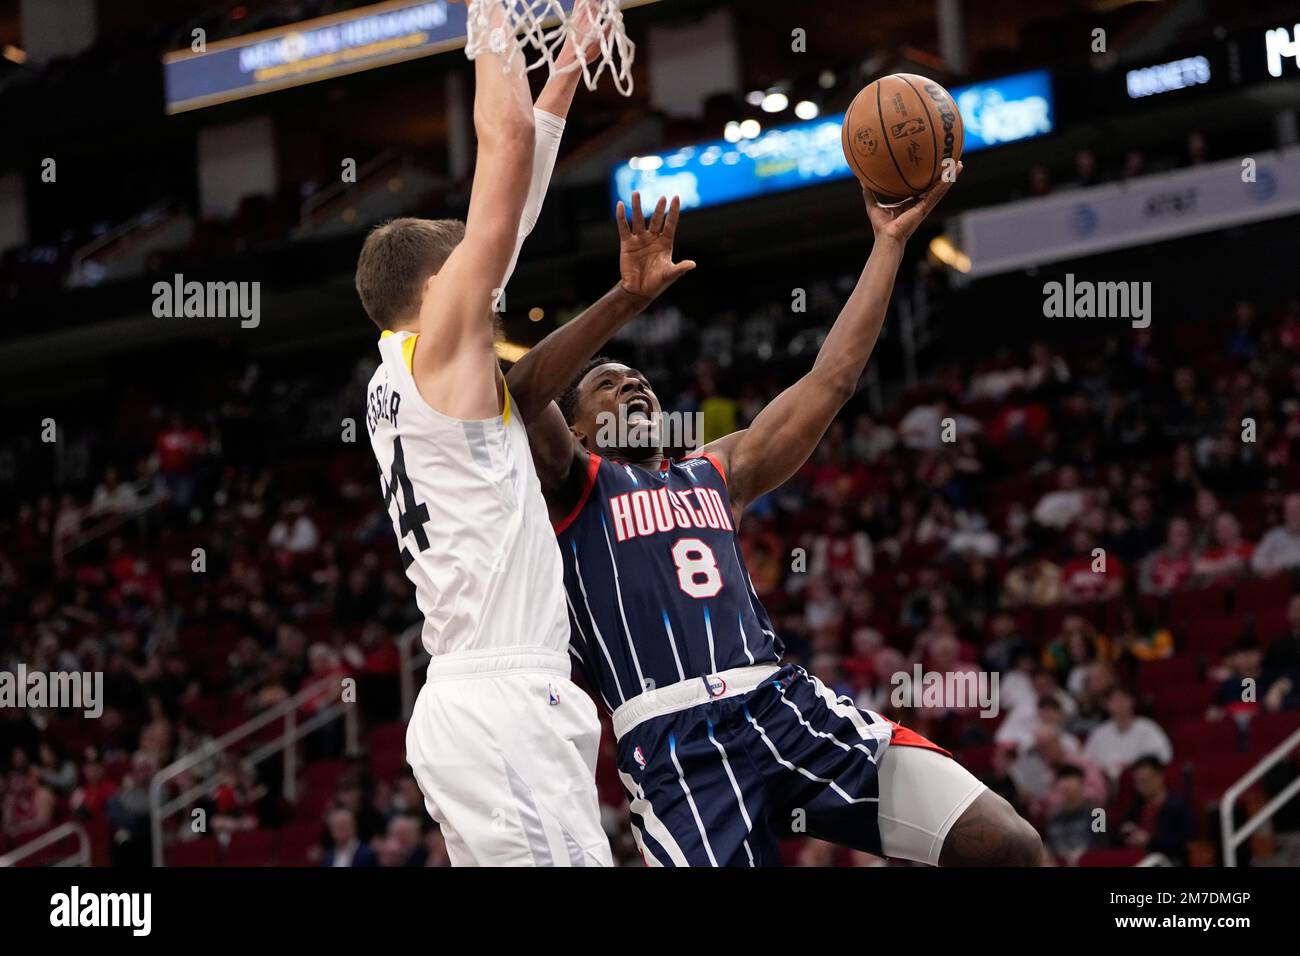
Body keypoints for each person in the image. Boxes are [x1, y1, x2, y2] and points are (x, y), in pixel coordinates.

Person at [511, 167, 1042, 866]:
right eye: (608, 388)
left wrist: (887, 242)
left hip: (782, 704)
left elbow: (832, 379)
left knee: (1004, 843)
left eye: (639, 381)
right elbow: (521, 392)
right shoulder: (570, 482)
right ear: (578, 430)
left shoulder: (715, 470)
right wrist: (628, 297)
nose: (632, 387)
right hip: (673, 743)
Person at [355, 11, 669, 866]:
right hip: (497, 700)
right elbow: (501, 151)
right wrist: (492, 18)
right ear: (437, 286)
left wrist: (565, 63)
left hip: (493, 694)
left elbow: (516, 196)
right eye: (469, 266)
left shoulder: (413, 374)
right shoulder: (440, 353)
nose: (491, 273)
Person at [1081, 686, 1173, 782]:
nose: (1119, 705)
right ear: (1107, 704)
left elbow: (1163, 756)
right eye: (1114, 701)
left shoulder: (1148, 727)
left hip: (1139, 781)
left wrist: (1131, 767)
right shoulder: (1098, 733)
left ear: (1132, 701)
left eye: (1122, 699)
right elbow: (1087, 763)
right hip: (1106, 783)